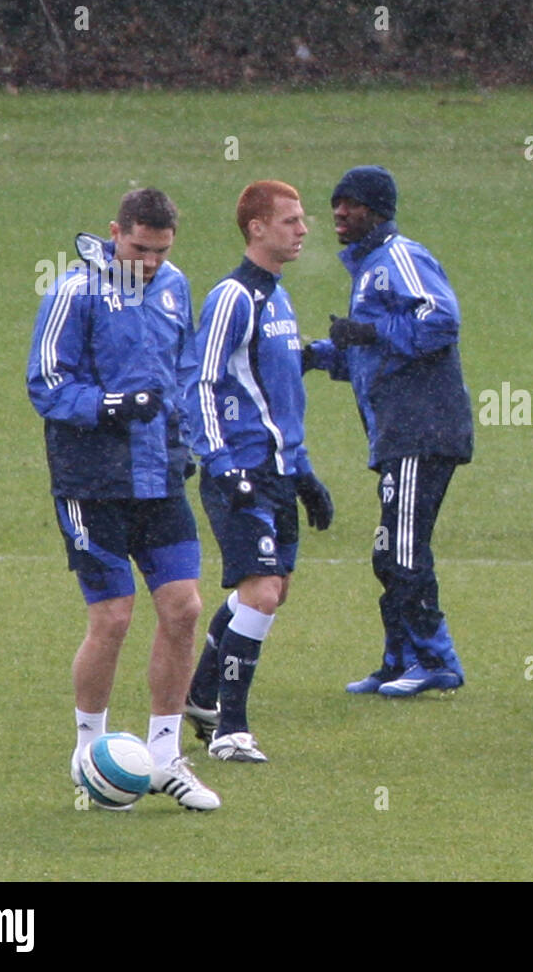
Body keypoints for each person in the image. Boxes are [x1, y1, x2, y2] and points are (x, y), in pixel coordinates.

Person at [27, 187, 220, 811]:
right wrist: (110, 406)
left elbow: (183, 370)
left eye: (161, 251)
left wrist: (185, 436)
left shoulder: (175, 286)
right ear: (115, 232)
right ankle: (90, 751)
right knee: (113, 618)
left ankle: (164, 757)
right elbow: (47, 383)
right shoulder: (72, 292)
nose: (151, 262)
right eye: (140, 248)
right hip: (92, 481)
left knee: (185, 609)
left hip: (159, 476)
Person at [303, 165, 472, 697]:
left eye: (349, 203)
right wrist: (313, 355)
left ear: (376, 210)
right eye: (335, 203)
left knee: (401, 550)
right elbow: (370, 355)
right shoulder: (368, 267)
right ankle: (399, 658)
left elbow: (441, 320)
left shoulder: (400, 257)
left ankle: (436, 661)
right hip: (396, 434)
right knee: (387, 551)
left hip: (423, 428)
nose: (338, 212)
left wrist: (370, 330)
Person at [183, 180, 334, 762]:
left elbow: (282, 396)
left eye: (302, 220)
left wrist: (304, 472)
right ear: (257, 229)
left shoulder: (280, 297)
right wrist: (220, 465)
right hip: (239, 468)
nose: (303, 229)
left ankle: (199, 695)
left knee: (272, 592)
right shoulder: (233, 297)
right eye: (291, 220)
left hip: (278, 471)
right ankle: (229, 728)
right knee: (262, 592)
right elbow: (200, 381)